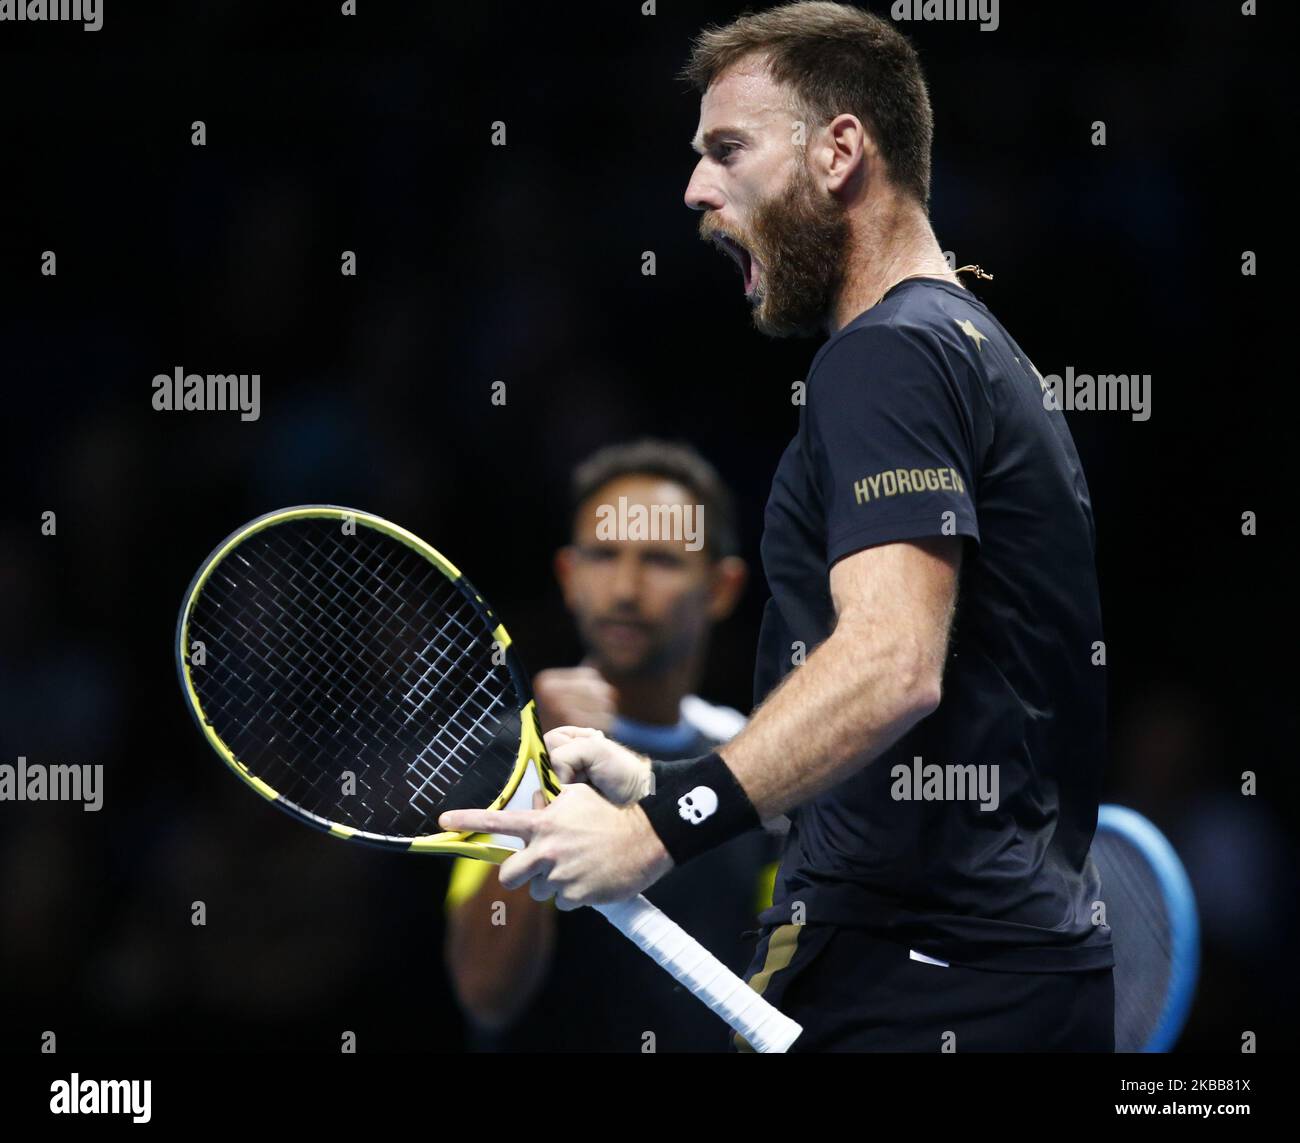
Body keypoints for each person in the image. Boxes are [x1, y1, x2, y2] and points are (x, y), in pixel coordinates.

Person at [441, 1, 1115, 1052]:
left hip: (914, 979)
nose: (696, 190)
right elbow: (946, 722)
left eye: (727, 149)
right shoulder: (974, 348)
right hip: (994, 973)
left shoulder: (887, 355)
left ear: (839, 149)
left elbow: (894, 666)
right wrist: (667, 782)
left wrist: (657, 830)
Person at [444, 440, 779, 1051]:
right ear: (569, 577)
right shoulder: (504, 753)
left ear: (722, 588)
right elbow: (487, 991)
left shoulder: (751, 763)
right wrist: (540, 775)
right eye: (602, 555)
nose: (625, 588)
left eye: (660, 560)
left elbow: (781, 978)